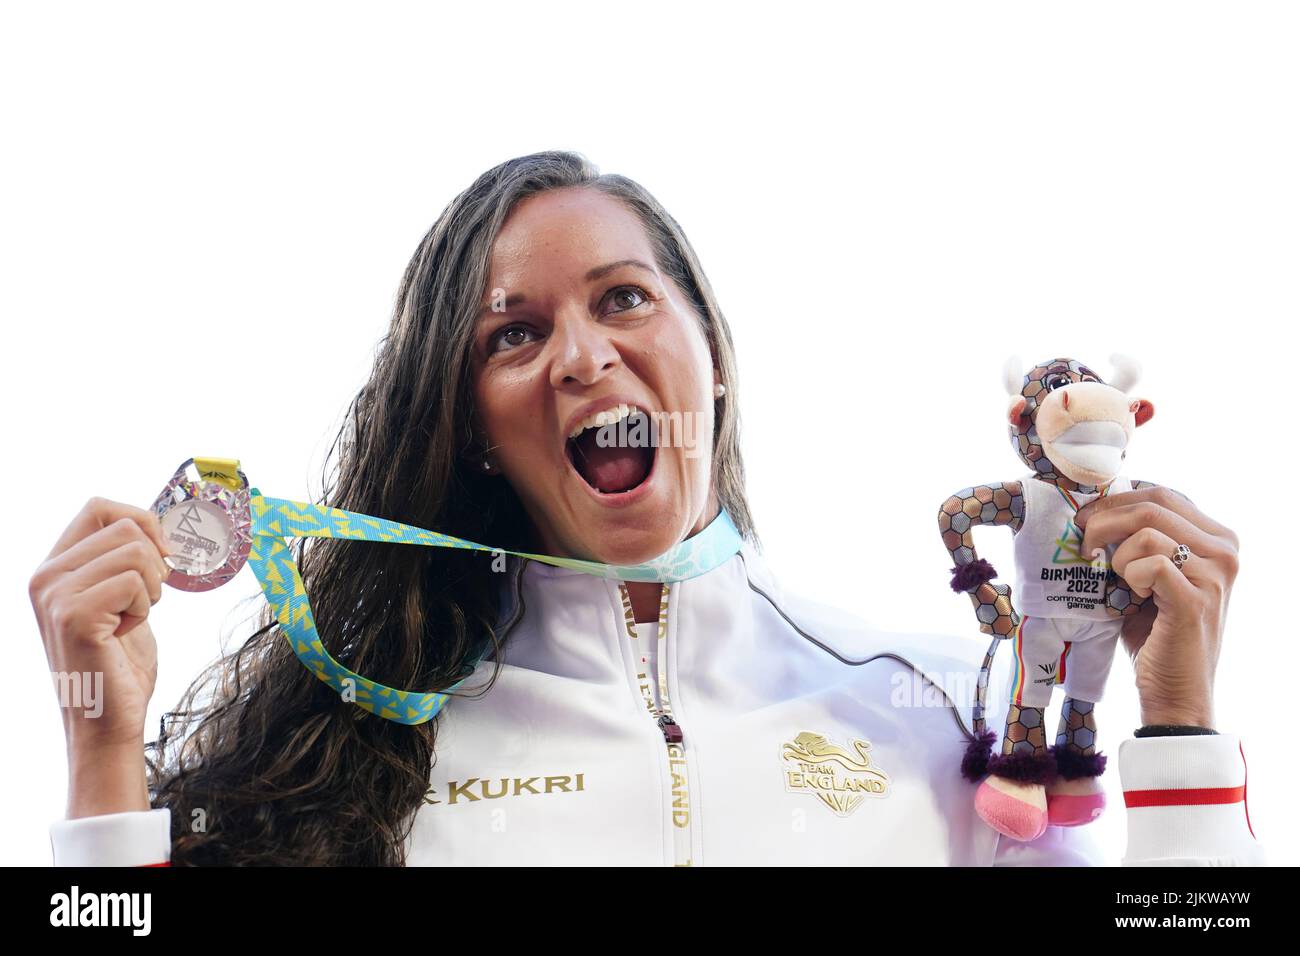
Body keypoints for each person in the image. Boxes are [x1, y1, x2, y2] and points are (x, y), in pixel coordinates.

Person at [32, 150, 1263, 866]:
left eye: (623, 299)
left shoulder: (942, 702)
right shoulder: (346, 753)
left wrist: (1180, 723)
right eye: (513, 332)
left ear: (709, 350)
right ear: (466, 424)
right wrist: (100, 764)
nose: (579, 357)